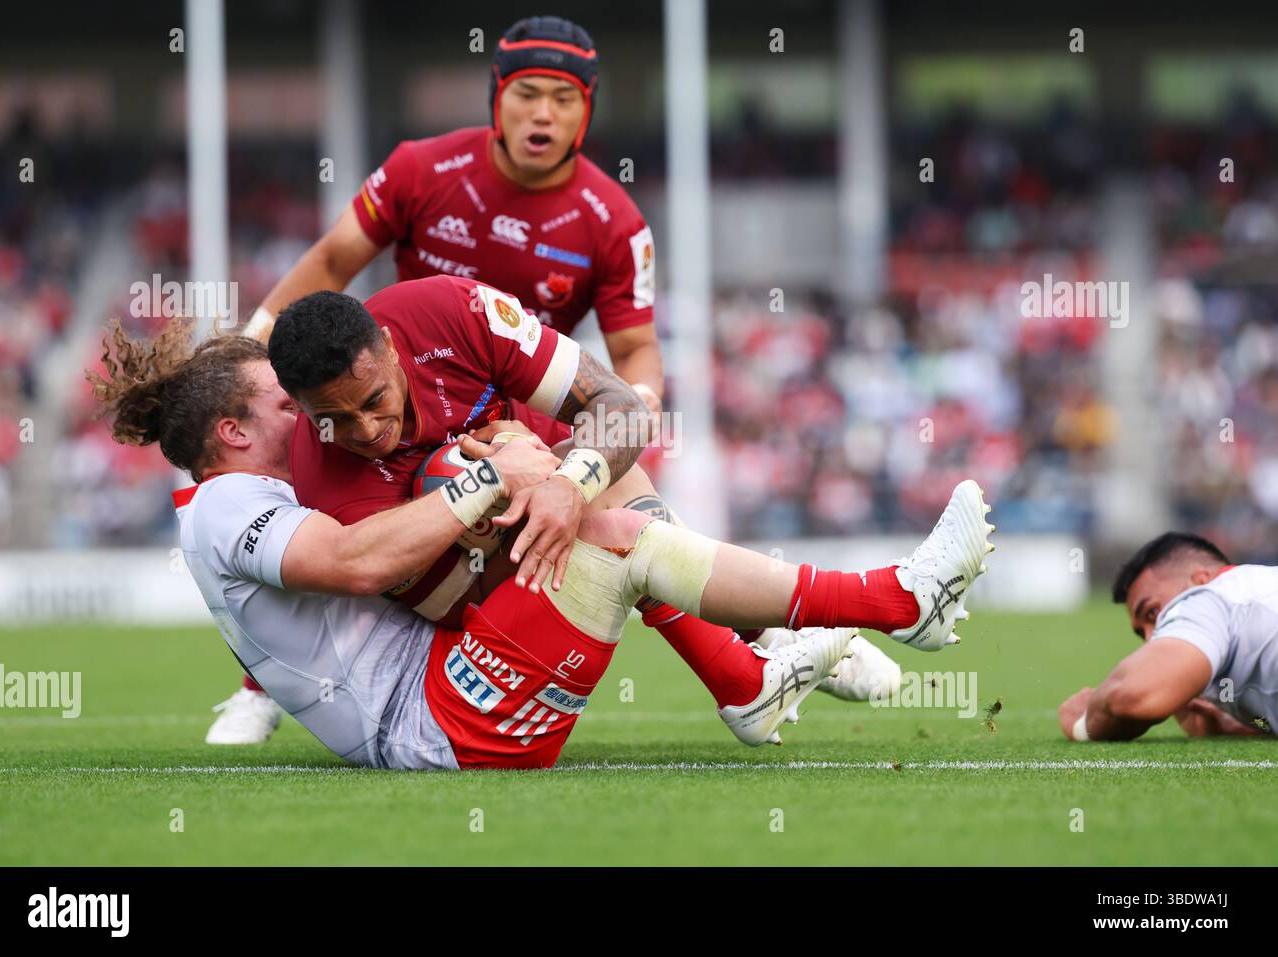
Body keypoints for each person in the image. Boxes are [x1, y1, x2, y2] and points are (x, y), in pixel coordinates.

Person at [88, 320, 996, 768]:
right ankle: (898, 599)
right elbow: (360, 561)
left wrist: (521, 463)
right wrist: (500, 477)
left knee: (587, 480)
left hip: (447, 677)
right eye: (288, 404)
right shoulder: (221, 509)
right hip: (438, 722)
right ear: (234, 434)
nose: (313, 415)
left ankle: (749, 678)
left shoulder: (262, 486)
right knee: (607, 536)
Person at [211, 15, 665, 741]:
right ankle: (262, 676)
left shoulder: (614, 219)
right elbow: (330, 266)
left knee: (640, 517)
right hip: (401, 404)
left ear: (588, 108)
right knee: (307, 503)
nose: (542, 113)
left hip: (519, 412)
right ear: (496, 96)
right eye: (526, 94)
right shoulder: (421, 169)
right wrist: (249, 349)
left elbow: (637, 348)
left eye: (563, 97)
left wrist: (637, 412)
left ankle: (762, 652)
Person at [1059, 532, 1275, 741]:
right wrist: (1229, 726)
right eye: (1141, 633)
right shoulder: (1254, 595)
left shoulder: (1208, 598)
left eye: (1152, 612)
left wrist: (1084, 721)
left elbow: (1131, 697)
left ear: (1201, 580)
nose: (1152, 637)